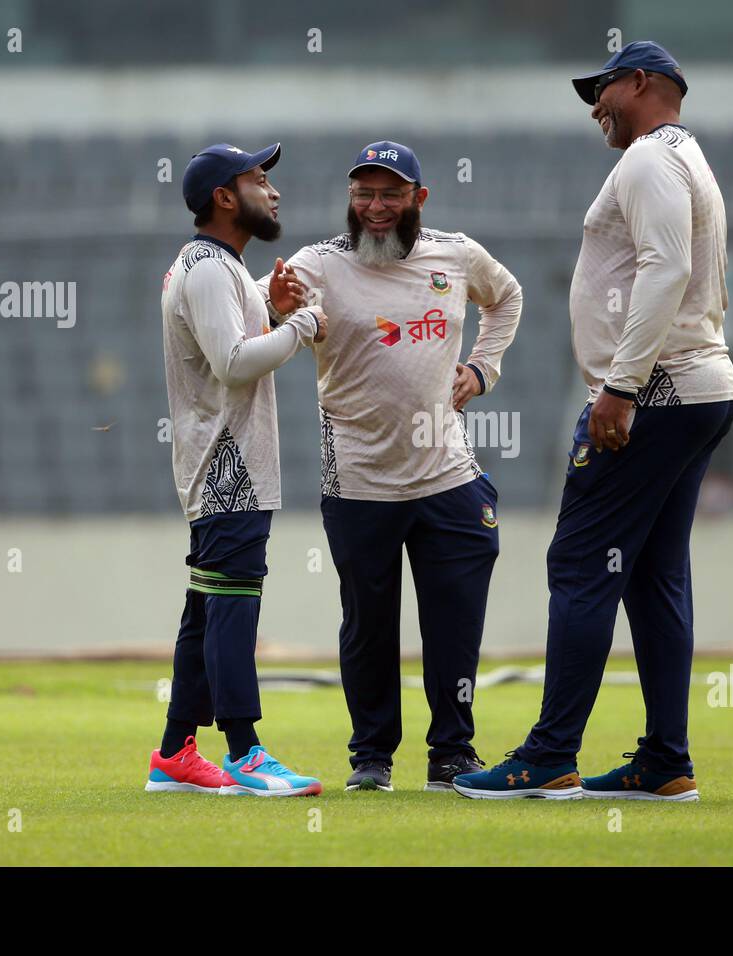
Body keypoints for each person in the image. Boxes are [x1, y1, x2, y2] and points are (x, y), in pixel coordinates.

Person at [454, 41, 733, 801]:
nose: (594, 107)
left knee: (581, 564)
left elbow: (667, 269)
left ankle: (549, 757)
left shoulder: (647, 161)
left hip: (655, 393)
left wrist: (621, 386)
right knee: (653, 573)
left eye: (602, 89)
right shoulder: (687, 157)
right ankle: (665, 760)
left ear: (641, 82)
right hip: (700, 384)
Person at [260, 141, 523, 792]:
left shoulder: (454, 254)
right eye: (364, 194)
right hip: (359, 478)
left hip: (448, 476)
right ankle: (371, 757)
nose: (375, 208)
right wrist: (273, 306)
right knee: (368, 626)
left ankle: (452, 754)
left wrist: (482, 368)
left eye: (390, 194)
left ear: (418, 199)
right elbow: (267, 324)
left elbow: (507, 296)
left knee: (454, 624)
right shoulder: (316, 265)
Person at [144, 142, 328, 797]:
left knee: (206, 605)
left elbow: (230, 332)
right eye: (258, 179)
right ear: (225, 196)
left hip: (222, 462)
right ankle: (246, 753)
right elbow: (232, 362)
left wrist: (267, 302)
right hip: (230, 467)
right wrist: (301, 324)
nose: (272, 191)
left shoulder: (213, 266)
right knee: (233, 604)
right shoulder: (206, 268)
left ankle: (174, 753)